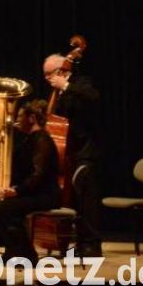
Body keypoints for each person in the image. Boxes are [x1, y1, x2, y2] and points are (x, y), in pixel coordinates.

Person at [0, 99, 60, 261]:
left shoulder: (42, 140)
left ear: (32, 119)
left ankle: (26, 254)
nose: (16, 120)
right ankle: (9, 249)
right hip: (32, 192)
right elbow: (15, 168)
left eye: (20, 116)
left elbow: (39, 175)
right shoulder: (28, 139)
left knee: (6, 207)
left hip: (45, 194)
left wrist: (16, 191)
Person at [45, 51, 103, 256]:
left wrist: (67, 86)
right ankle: (78, 242)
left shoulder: (81, 82)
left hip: (85, 151)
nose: (47, 79)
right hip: (68, 153)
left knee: (88, 199)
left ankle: (93, 244)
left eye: (49, 75)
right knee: (76, 201)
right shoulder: (57, 93)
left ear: (61, 71)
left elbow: (94, 97)